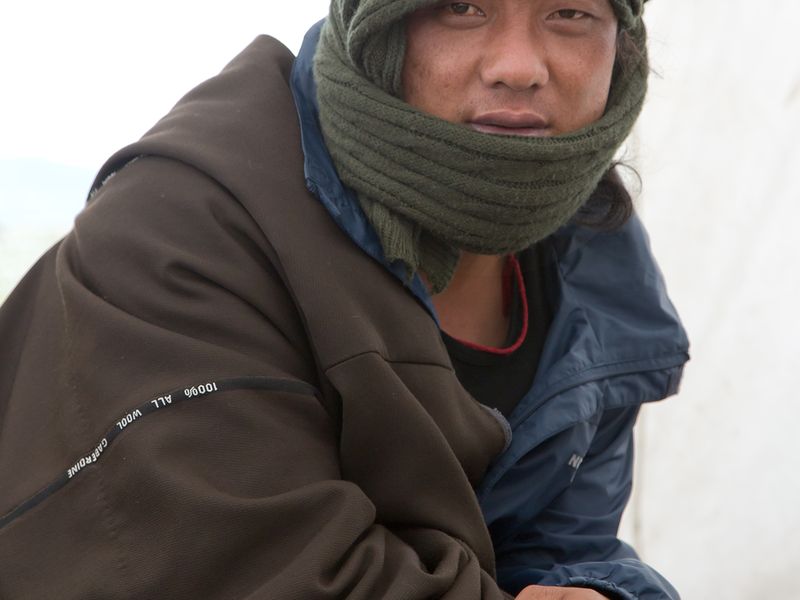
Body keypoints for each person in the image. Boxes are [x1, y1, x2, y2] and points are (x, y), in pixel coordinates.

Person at [0, 0, 689, 598]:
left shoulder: (595, 266)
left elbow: (556, 553)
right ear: (376, 24)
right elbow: (262, 569)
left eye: (570, 14)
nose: (518, 64)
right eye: (459, 8)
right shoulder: (180, 229)